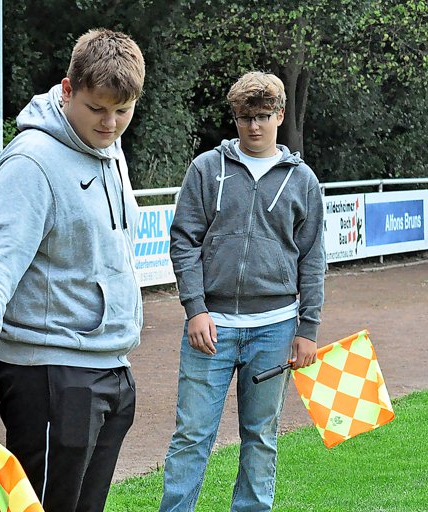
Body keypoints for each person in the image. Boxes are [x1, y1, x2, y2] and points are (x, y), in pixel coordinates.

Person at [0, 29, 145, 512]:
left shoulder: (110, 149)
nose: (110, 123)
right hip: (48, 373)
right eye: (97, 109)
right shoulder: (31, 162)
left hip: (110, 365)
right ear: (67, 90)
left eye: (123, 111)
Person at [159, 71, 326, 512]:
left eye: (263, 116)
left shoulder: (303, 180)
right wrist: (195, 309)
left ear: (280, 115)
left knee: (261, 438)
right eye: (245, 117)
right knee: (192, 435)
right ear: (234, 118)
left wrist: (307, 328)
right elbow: (184, 239)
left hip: (275, 328)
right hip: (209, 327)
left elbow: (311, 259)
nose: (254, 126)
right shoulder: (206, 169)